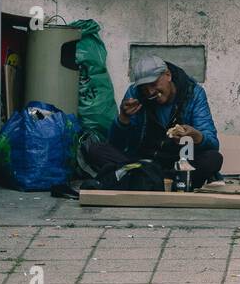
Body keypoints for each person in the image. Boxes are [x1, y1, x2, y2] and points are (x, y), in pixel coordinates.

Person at [83, 54, 224, 189]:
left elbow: (212, 142)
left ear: (168, 75)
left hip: (178, 164)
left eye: (154, 84)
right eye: (145, 88)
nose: (150, 92)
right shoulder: (135, 94)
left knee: (213, 159)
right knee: (96, 150)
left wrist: (197, 137)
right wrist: (123, 119)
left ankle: (147, 180)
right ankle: (159, 181)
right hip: (142, 161)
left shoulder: (193, 93)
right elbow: (116, 144)